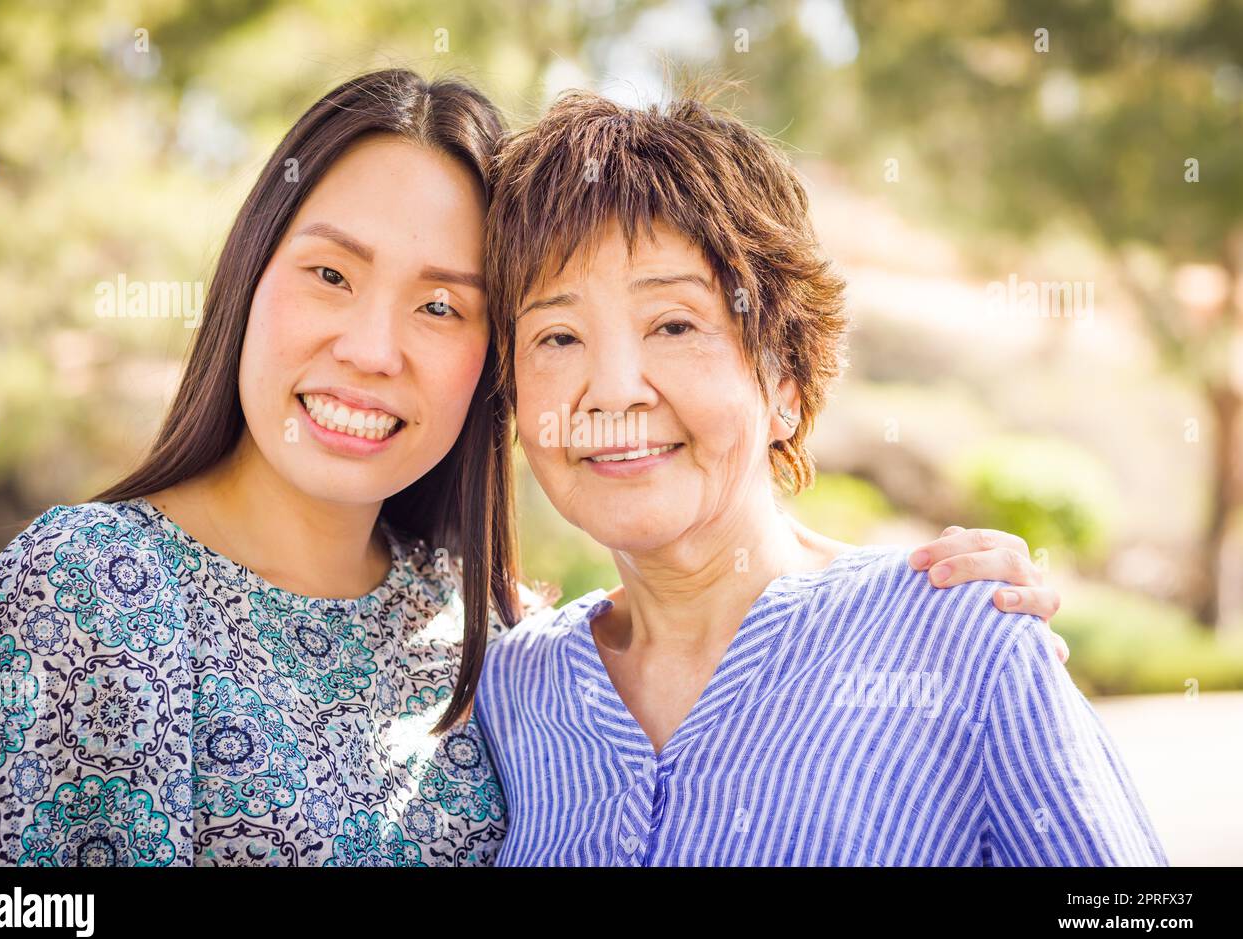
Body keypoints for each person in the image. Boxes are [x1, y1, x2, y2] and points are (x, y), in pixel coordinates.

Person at [0, 70, 1064, 867]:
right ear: (248, 281)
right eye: (330, 275)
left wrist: (945, 613)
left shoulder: (494, 639)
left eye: (442, 305)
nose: (373, 348)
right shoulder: (85, 589)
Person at [474, 89, 1167, 866]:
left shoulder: (957, 634)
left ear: (785, 383)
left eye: (674, 324)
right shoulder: (512, 690)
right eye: (558, 335)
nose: (613, 388)